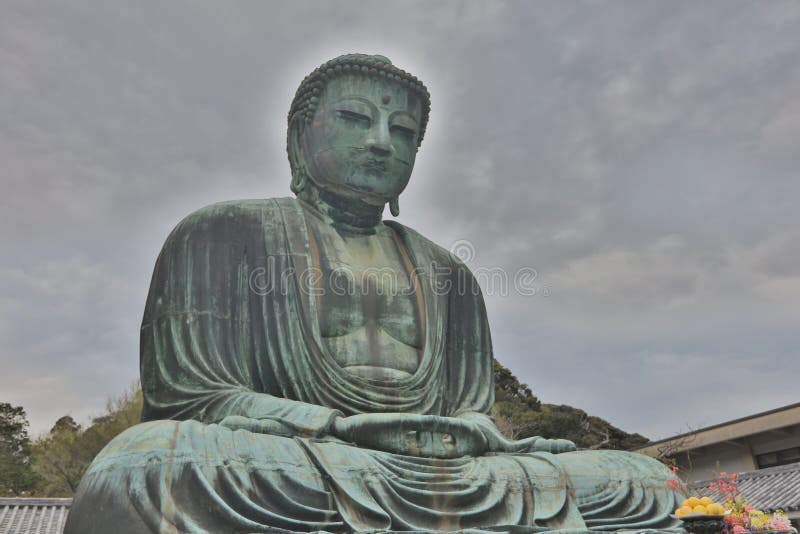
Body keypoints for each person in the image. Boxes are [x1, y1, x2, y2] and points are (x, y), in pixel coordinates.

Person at [65, 54, 684, 534]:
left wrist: (474, 435)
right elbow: (192, 398)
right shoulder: (222, 232)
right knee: (144, 465)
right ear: (298, 137)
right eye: (356, 119)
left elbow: (470, 409)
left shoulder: (448, 273)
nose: (383, 141)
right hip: (303, 460)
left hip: (452, 473)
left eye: (404, 130)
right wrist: (339, 425)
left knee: (649, 481)